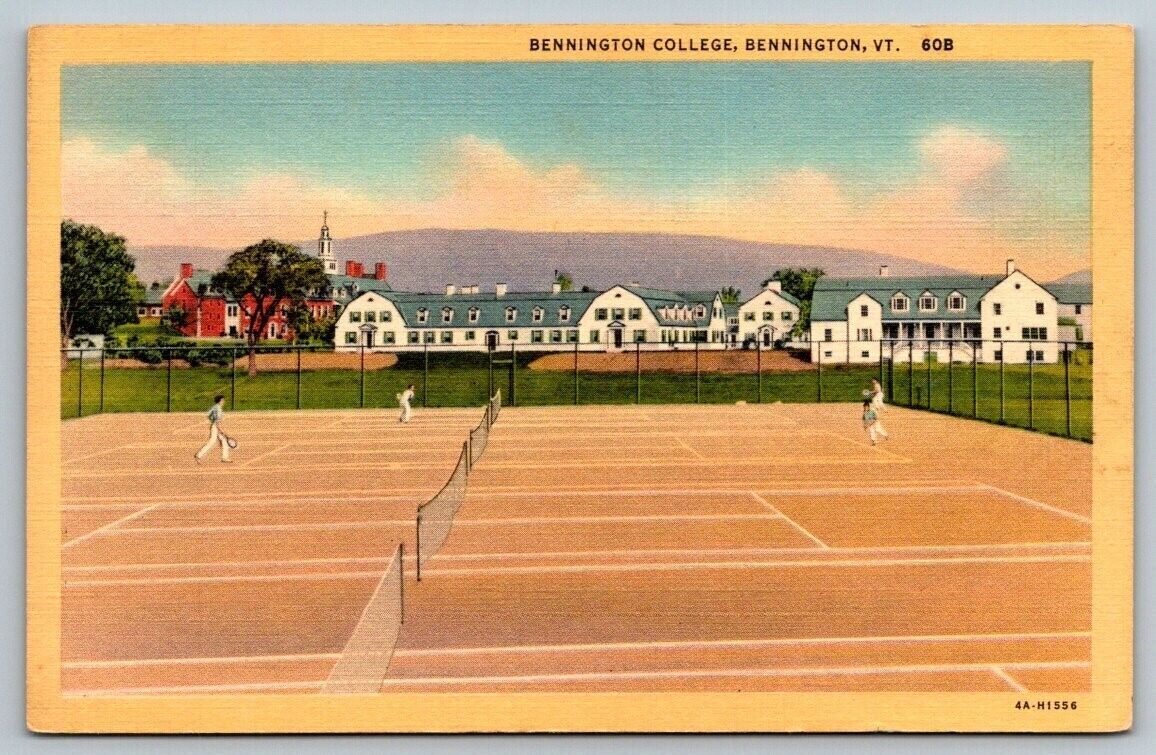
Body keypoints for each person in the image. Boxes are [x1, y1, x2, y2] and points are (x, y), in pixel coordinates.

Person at [195, 394, 231, 463]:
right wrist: (221, 430)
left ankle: (224, 457)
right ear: (220, 401)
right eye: (223, 400)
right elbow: (217, 421)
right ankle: (198, 455)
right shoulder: (218, 409)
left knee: (223, 441)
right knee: (212, 442)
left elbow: (209, 415)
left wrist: (212, 421)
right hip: (216, 427)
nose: (224, 402)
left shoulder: (215, 407)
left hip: (214, 425)